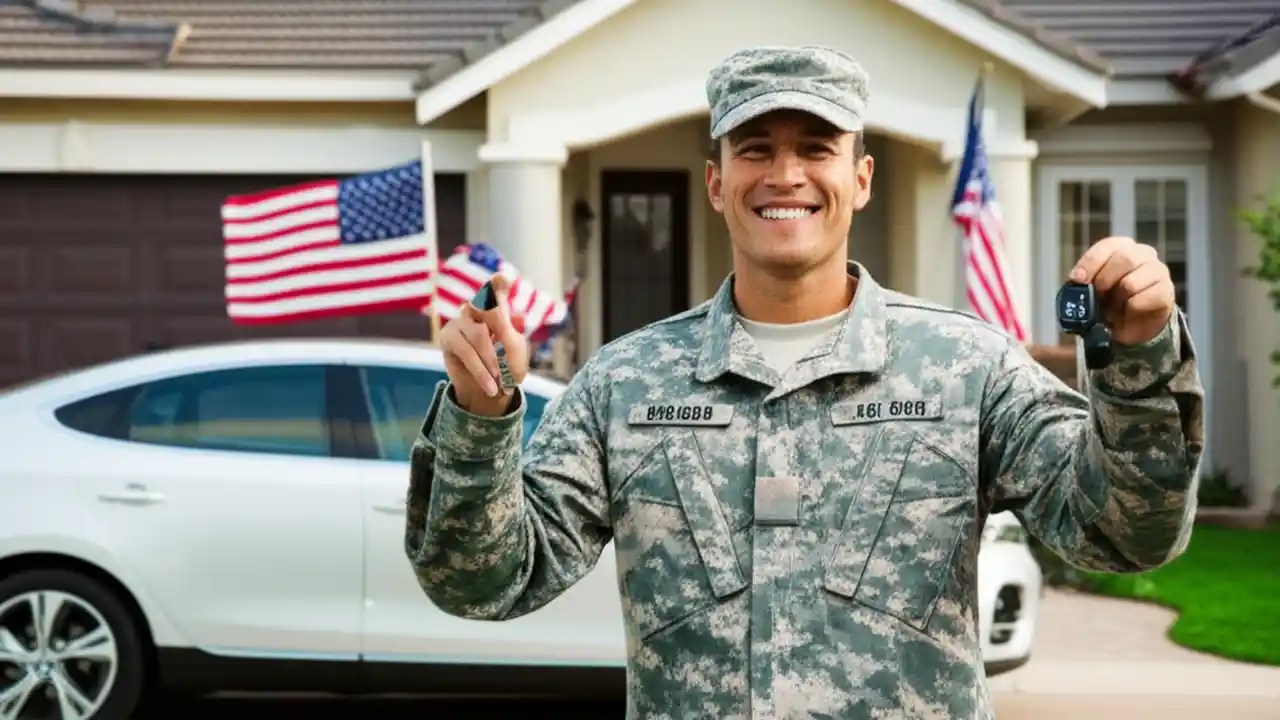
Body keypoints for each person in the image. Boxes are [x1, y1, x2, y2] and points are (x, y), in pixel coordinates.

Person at [404, 44, 1205, 719]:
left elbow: (1121, 535)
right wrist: (482, 418)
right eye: (754, 148)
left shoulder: (968, 368)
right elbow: (485, 583)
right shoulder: (627, 382)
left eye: (815, 148)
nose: (784, 173)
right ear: (717, 183)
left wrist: (1137, 361)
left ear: (860, 179)